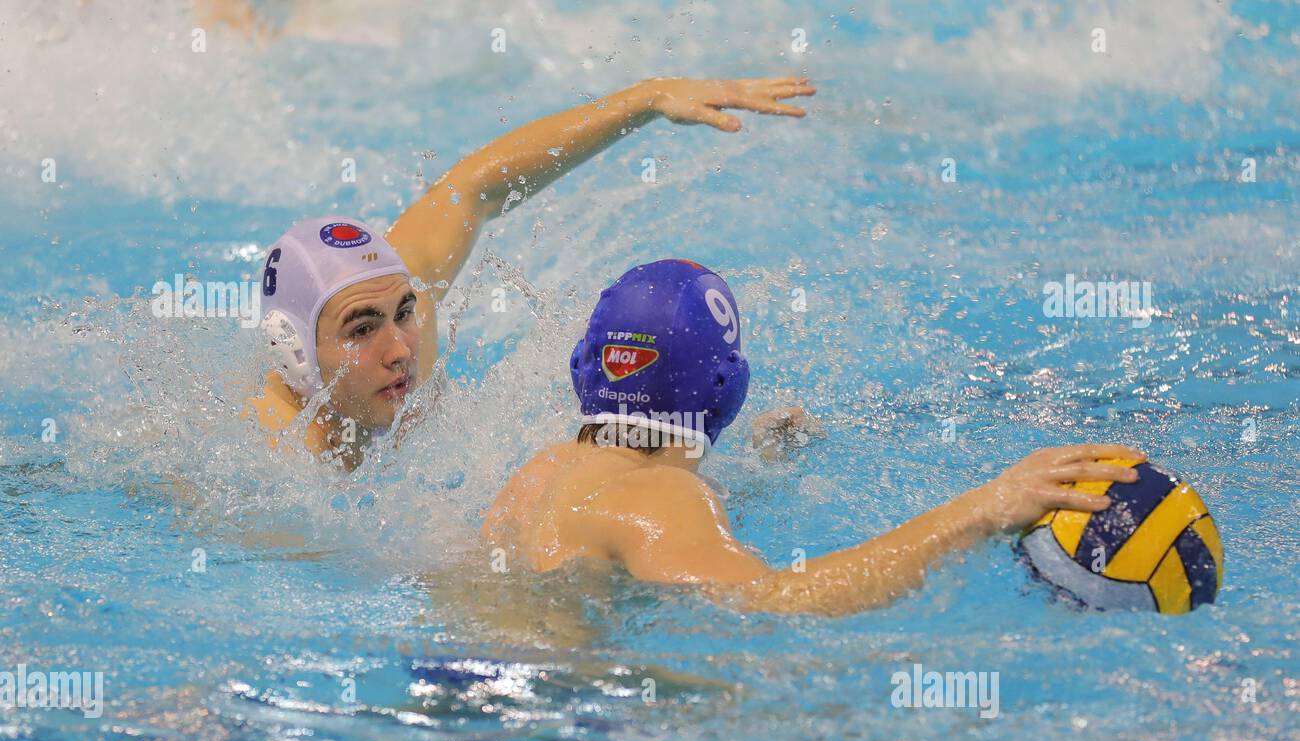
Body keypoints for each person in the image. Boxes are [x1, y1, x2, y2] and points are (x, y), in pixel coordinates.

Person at [481, 259, 1149, 616]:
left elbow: (648, 536)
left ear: (585, 366)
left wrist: (768, 466)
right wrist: (983, 508)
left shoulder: (542, 473)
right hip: (564, 721)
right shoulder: (662, 497)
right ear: (725, 389)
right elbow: (774, 602)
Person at [241, 76, 817, 469]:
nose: (400, 350)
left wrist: (646, 99)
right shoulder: (275, 466)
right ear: (294, 351)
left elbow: (474, 187)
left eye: (405, 313)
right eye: (362, 329)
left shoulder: (387, 303)